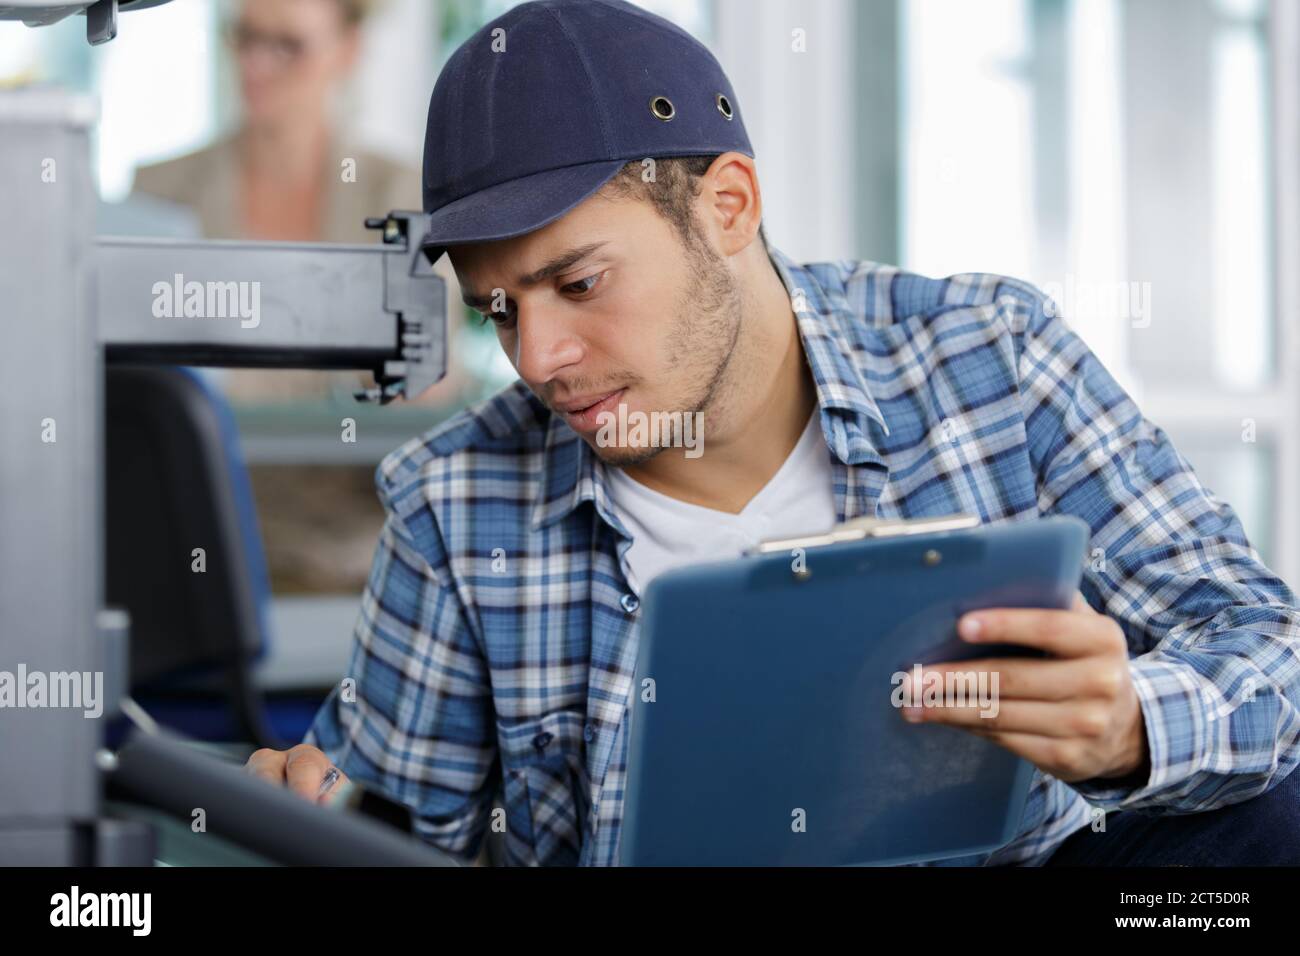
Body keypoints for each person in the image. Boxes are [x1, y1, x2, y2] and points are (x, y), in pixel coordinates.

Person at [245, 0, 1300, 866]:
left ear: (728, 205)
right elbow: (397, 833)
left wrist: (1129, 726)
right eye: (500, 309)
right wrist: (312, 822)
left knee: (1267, 821)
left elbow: (1270, 649)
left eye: (578, 281)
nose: (537, 358)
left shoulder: (988, 356)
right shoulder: (453, 502)